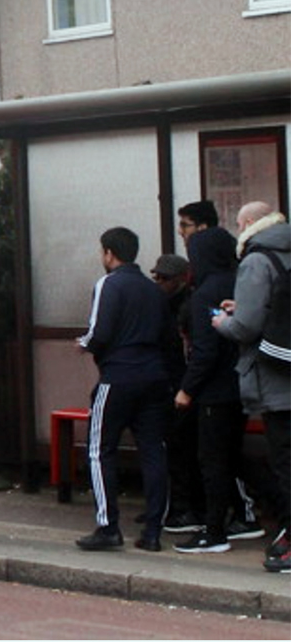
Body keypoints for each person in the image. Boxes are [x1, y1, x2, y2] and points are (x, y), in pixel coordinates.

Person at [76, 227, 172, 552]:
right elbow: (168, 338)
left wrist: (83, 344)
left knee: (99, 450)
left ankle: (108, 526)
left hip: (118, 377)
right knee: (153, 451)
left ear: (108, 253)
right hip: (155, 377)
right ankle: (154, 531)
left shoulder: (108, 284)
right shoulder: (153, 290)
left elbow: (98, 332)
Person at [213, 201, 291, 573]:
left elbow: (245, 327)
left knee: (286, 464)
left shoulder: (257, 260)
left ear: (247, 224)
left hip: (279, 380)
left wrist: (223, 322)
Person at [173, 226, 249, 553]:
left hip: (214, 391)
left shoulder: (204, 293)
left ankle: (214, 531)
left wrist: (187, 389)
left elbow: (205, 351)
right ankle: (248, 518)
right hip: (241, 384)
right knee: (233, 457)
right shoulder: (238, 283)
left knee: (212, 461)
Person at [149, 252, 204, 533]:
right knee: (175, 448)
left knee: (182, 449)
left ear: (181, 279)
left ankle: (185, 508)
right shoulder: (166, 304)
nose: (159, 282)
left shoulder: (184, 307)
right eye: (156, 276)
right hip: (172, 383)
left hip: (183, 386)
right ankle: (176, 506)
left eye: (165, 278)